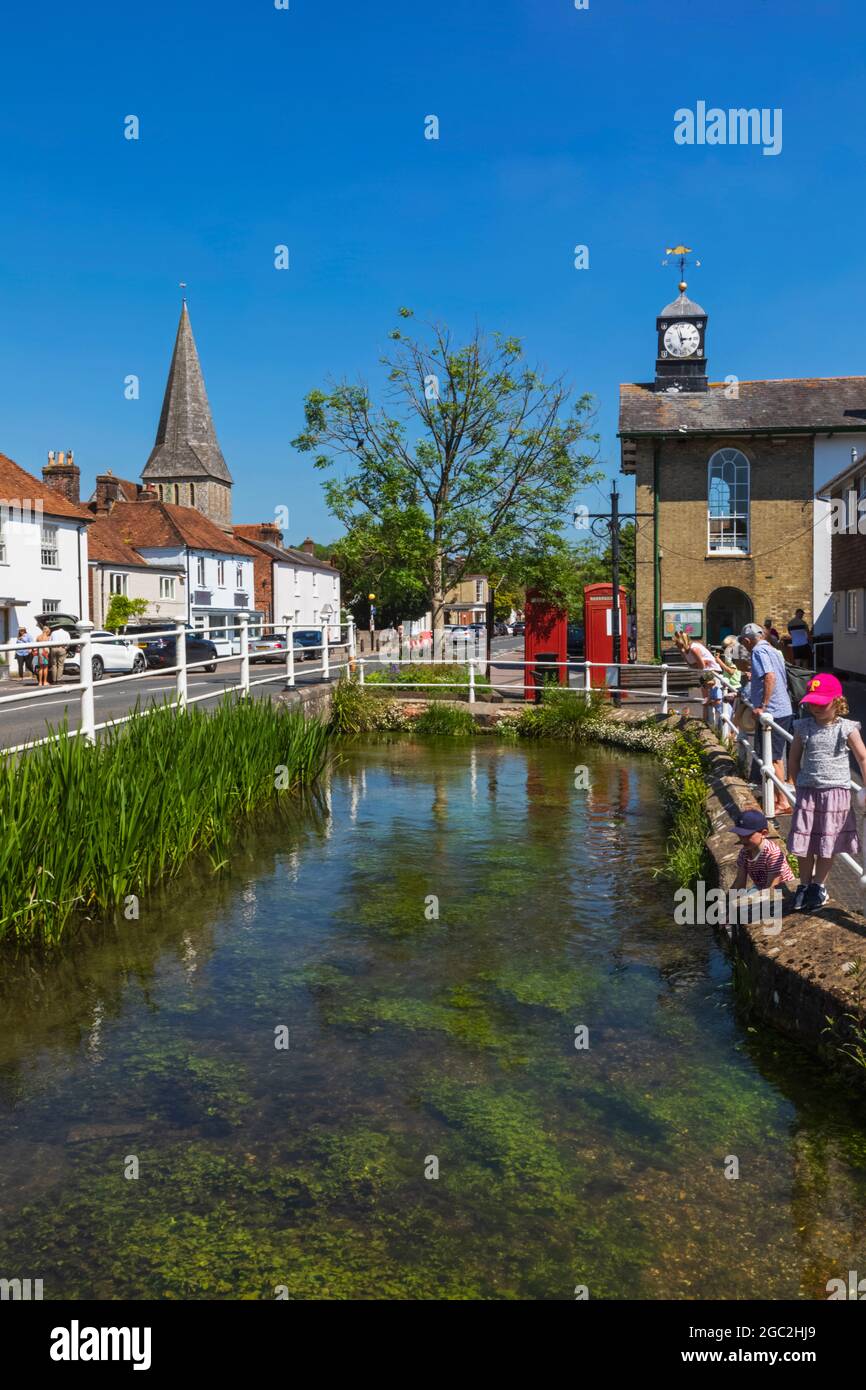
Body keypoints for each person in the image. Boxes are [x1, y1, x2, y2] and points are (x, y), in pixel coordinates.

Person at [786, 673, 866, 912]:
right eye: (812, 703)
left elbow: (862, 757)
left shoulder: (847, 728)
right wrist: (796, 782)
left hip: (836, 793)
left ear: (837, 701)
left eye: (822, 703)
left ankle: (817, 886)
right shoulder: (803, 727)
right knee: (805, 841)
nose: (816, 708)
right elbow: (793, 757)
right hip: (808, 791)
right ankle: (803, 884)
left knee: (827, 842)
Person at [740, 621, 793, 818]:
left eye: (744, 643)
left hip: (774, 711)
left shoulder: (758, 652)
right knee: (774, 756)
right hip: (783, 708)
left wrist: (762, 704)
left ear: (747, 640)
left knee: (775, 758)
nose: (745, 646)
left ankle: (783, 801)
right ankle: (779, 798)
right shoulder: (773, 649)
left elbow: (770, 677)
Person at [730, 808, 796, 897]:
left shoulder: (772, 854)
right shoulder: (744, 852)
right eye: (740, 835)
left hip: (782, 892)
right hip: (761, 888)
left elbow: (772, 887)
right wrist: (727, 901)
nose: (743, 839)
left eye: (747, 835)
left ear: (764, 833)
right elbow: (740, 882)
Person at [673, 629, 722, 724]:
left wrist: (695, 665)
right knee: (706, 699)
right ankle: (706, 722)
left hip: (711, 672)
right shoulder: (684, 651)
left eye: (677, 643)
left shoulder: (694, 648)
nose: (676, 645)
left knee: (714, 699)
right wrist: (694, 664)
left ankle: (718, 723)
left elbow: (702, 666)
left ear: (681, 642)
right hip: (703, 674)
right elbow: (691, 665)